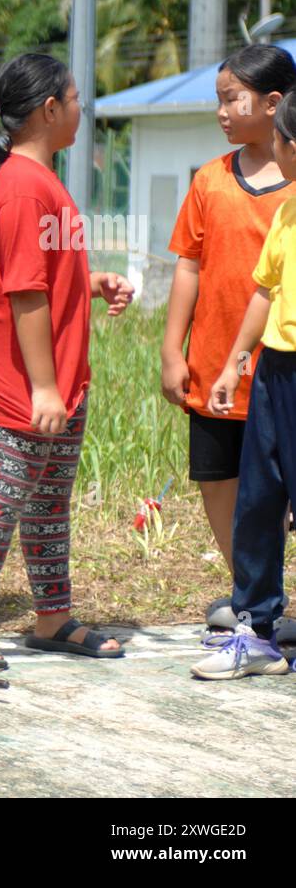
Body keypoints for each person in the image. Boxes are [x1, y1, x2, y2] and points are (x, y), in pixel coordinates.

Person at [0, 53, 134, 669]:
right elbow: (24, 294)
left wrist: (95, 279)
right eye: (77, 98)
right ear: (51, 109)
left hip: (58, 381)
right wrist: (44, 389)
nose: (83, 108)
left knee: (48, 504)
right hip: (26, 384)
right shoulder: (25, 187)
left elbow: (47, 273)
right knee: (2, 501)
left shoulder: (42, 182)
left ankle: (52, 617)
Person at [160, 44, 296, 631]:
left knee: (277, 485)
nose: (221, 111)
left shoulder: (294, 187)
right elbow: (187, 264)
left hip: (282, 369)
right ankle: (249, 592)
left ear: (273, 104)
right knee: (217, 479)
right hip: (217, 361)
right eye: (217, 99)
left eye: (230, 98)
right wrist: (173, 349)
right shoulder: (209, 180)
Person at [193, 91, 296, 679]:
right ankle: (256, 631)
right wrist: (235, 362)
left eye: (278, 139)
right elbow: (264, 291)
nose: (273, 150)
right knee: (258, 503)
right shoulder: (286, 213)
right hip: (275, 374)